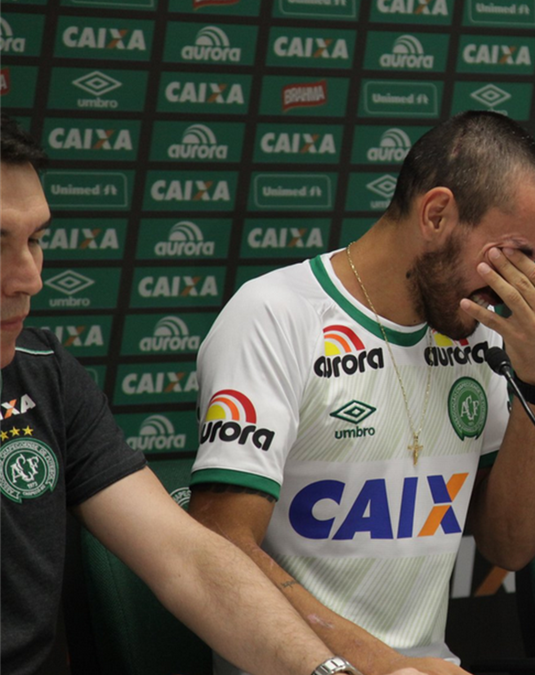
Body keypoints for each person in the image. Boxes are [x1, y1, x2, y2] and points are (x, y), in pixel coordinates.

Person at [0, 116, 390, 675]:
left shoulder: (45, 375)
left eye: (36, 240)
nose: (29, 277)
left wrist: (328, 673)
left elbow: (187, 559)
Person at [188, 111, 535, 675]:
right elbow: (221, 544)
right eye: (513, 254)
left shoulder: (477, 334)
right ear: (436, 214)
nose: (521, 286)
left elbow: (509, 546)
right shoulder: (275, 316)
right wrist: (387, 667)